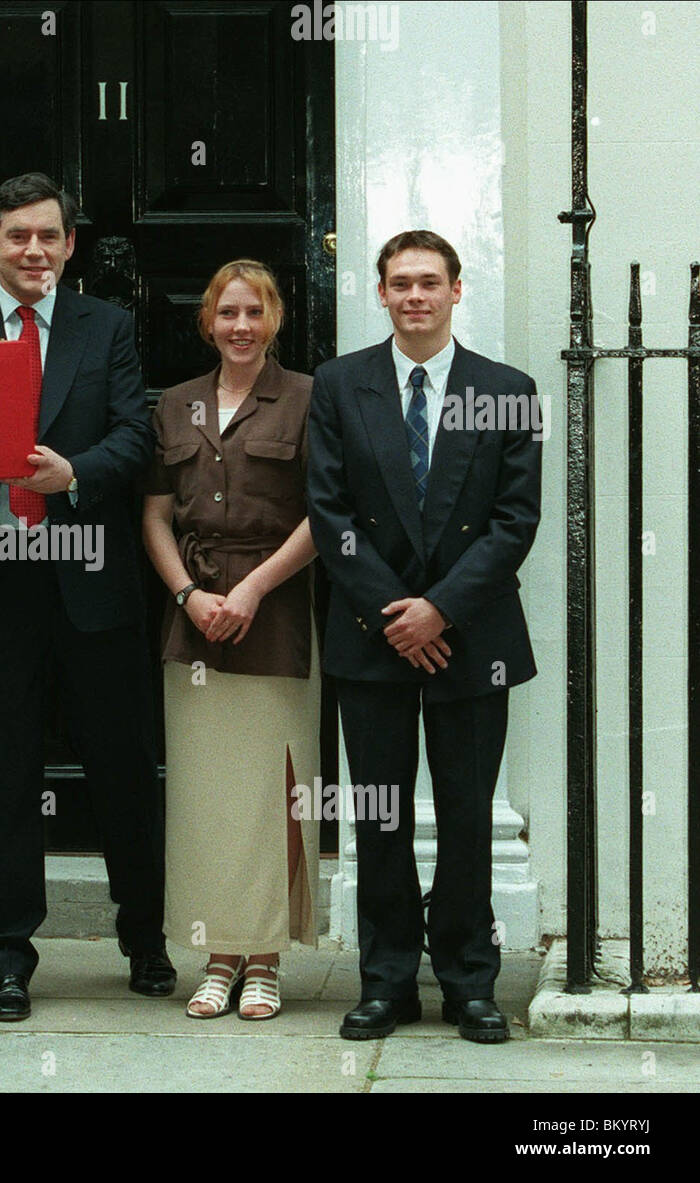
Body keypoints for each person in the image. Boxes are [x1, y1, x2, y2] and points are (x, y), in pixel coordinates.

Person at [0, 172, 173, 1021]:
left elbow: (137, 432)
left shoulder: (110, 326)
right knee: (1, 770)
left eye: (49, 236)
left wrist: (77, 473)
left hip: (90, 567)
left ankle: (146, 936)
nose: (34, 250)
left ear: (67, 245)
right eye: (17, 235)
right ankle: (4, 953)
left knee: (124, 767)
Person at [306, 229, 542, 1043]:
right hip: (371, 636)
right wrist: (394, 615)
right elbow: (330, 514)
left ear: (455, 290)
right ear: (380, 293)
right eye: (400, 282)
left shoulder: (506, 388)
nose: (414, 296)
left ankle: (471, 982)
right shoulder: (340, 385)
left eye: (429, 283)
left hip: (473, 636)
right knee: (379, 817)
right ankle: (387, 981)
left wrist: (439, 609)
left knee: (470, 815)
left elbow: (515, 523)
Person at [142, 260, 320, 1020]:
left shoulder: (310, 398)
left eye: (255, 311)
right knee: (207, 793)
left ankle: (267, 957)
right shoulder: (175, 405)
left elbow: (325, 514)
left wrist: (251, 589)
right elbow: (153, 514)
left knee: (275, 791)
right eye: (227, 313)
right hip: (194, 617)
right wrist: (189, 592)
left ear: (275, 318)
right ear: (207, 321)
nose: (241, 326)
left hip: (276, 612)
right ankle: (217, 956)